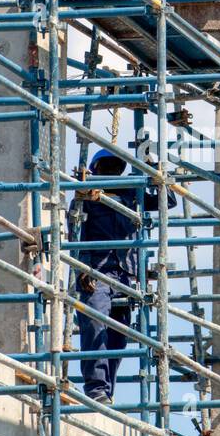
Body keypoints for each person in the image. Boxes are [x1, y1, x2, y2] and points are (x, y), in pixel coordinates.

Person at [71, 147, 175, 404]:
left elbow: (168, 202)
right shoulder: (85, 197)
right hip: (97, 272)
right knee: (94, 324)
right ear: (95, 170)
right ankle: (96, 389)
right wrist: (82, 268)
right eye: (106, 167)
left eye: (115, 167)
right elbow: (75, 234)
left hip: (125, 274)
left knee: (119, 334)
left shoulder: (133, 194)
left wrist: (157, 171)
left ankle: (107, 391)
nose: (112, 172)